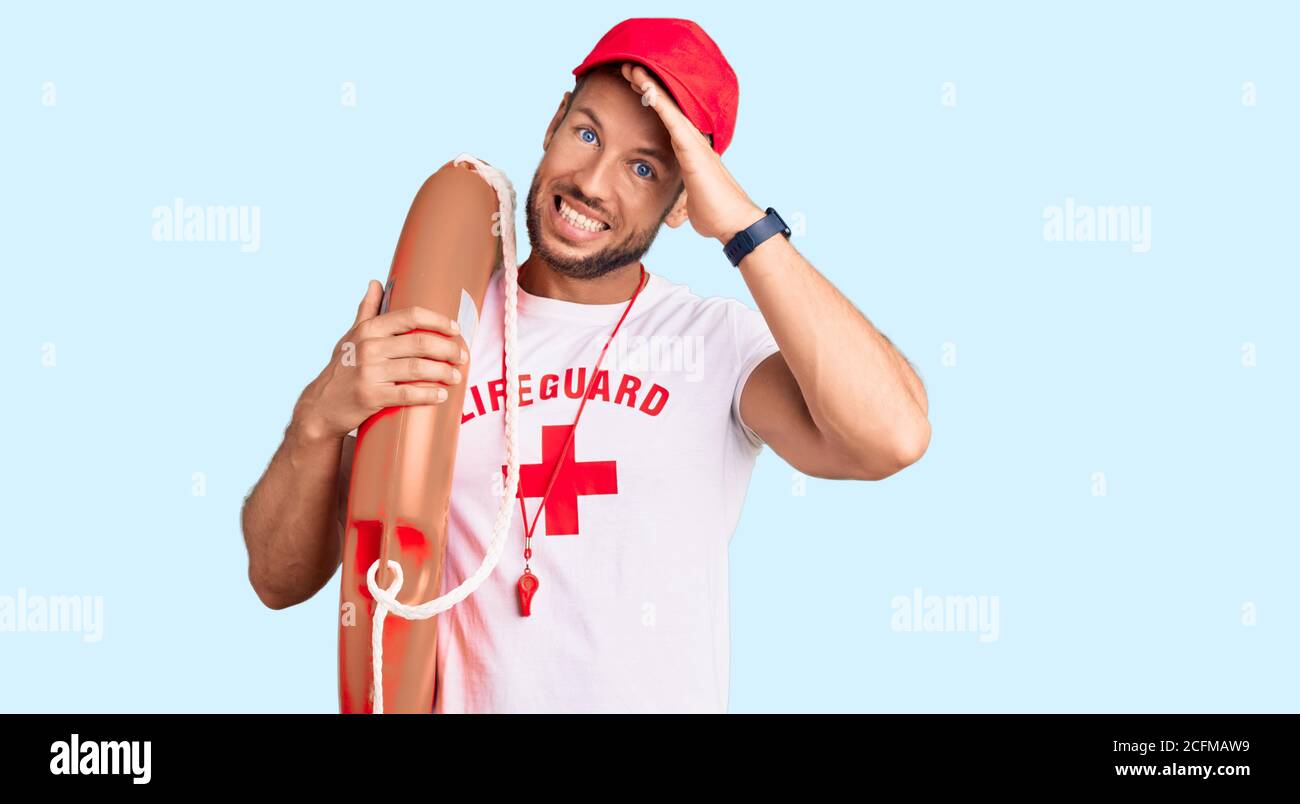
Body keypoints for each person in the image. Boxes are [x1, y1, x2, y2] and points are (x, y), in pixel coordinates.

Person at [241, 18, 931, 713]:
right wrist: (316, 423)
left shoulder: (714, 344)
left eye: (645, 168)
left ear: (684, 199)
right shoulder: (439, 326)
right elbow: (278, 581)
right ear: (553, 123)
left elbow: (895, 436)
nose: (593, 183)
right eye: (588, 133)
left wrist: (743, 225)